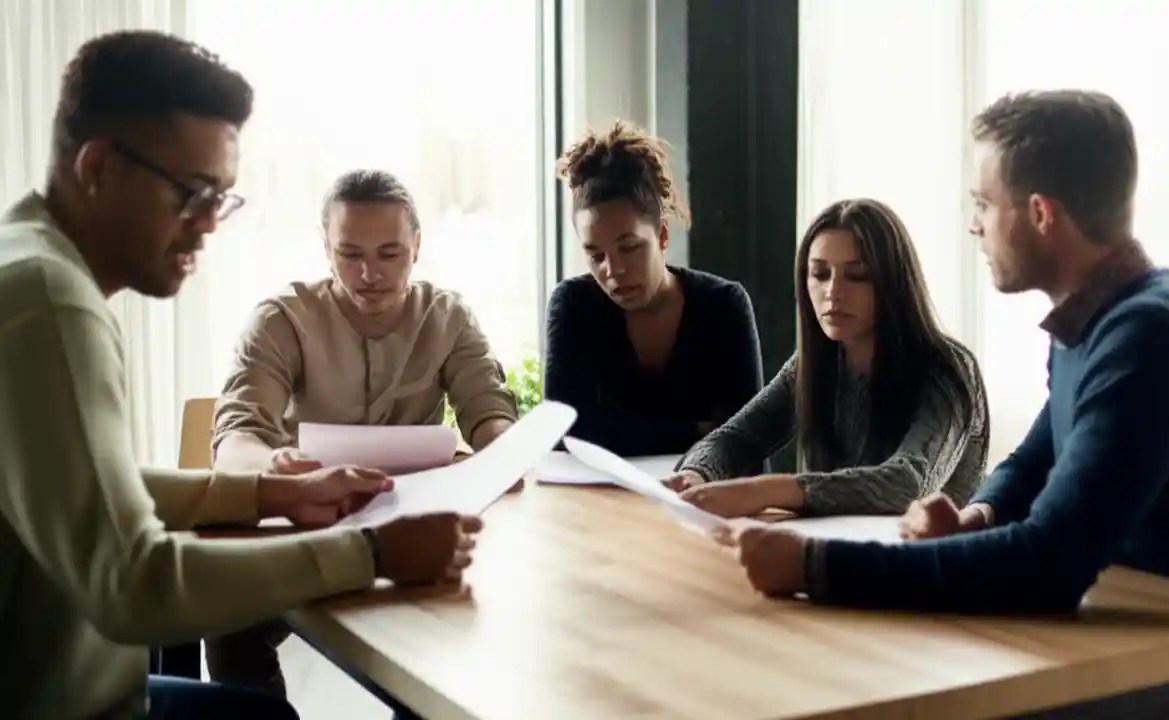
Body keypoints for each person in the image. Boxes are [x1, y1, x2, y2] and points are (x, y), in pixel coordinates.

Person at [732, 90, 1169, 718]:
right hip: (1135, 634)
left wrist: (815, 565)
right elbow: (1037, 459)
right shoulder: (1098, 324)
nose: (975, 225)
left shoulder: (1149, 337)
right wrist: (979, 515)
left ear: (1041, 213)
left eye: (984, 205)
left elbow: (1050, 563)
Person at [0, 30, 481, 720]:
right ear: (99, 166)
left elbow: (94, 492)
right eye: (191, 194)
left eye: (220, 198)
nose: (207, 226)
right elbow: (131, 583)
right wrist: (368, 551)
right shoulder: (51, 305)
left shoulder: (26, 264)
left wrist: (268, 492)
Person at [206, 169, 518, 694]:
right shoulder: (282, 319)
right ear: (325, 248)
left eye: (389, 254)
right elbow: (237, 433)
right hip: (307, 525)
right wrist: (273, 469)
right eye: (350, 254)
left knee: (479, 636)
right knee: (229, 625)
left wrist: (502, 451)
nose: (369, 273)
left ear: (417, 247)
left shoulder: (449, 318)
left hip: (418, 532)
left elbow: (488, 412)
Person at [666, 199, 988, 518]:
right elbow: (738, 437)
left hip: (935, 562)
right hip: (841, 554)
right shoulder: (816, 362)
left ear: (893, 282)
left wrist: (763, 491)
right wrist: (697, 475)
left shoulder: (949, 369)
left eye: (857, 275)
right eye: (819, 274)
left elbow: (908, 484)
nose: (833, 292)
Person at [544, 120, 763, 457]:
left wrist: (611, 432)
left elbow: (744, 441)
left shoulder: (724, 306)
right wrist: (696, 430)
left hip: (705, 498)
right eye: (595, 254)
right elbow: (563, 437)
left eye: (629, 247)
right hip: (599, 501)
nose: (613, 270)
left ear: (662, 236)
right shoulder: (574, 306)